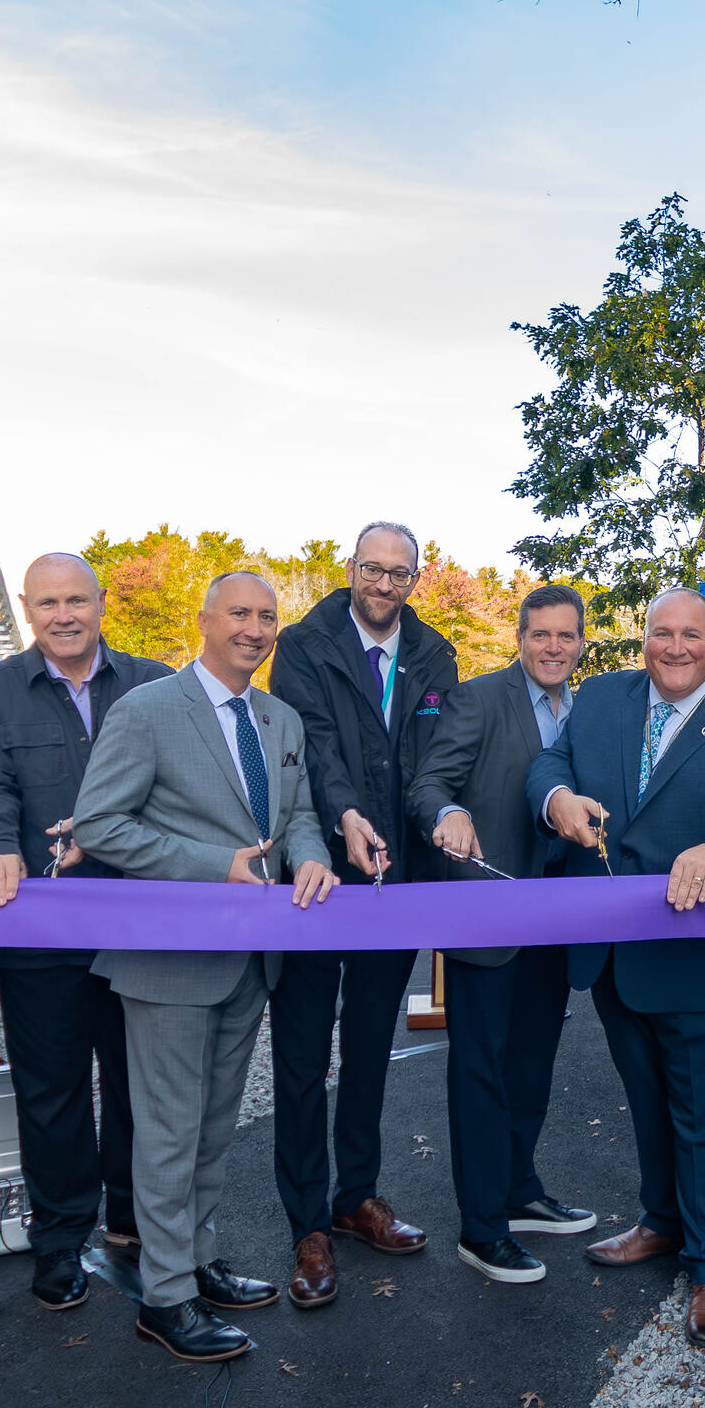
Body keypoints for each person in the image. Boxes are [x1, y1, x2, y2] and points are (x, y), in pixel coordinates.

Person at [528, 588, 705, 1346]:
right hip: (617, 958)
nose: (676, 647)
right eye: (662, 632)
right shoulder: (600, 700)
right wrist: (556, 795)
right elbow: (550, 761)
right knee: (649, 1104)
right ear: (643, 637)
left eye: (692, 634)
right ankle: (661, 1221)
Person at [72, 572, 337, 1362]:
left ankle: (194, 1257)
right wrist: (209, 863)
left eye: (267, 617)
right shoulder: (148, 709)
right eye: (240, 614)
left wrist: (313, 859)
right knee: (165, 1131)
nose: (255, 628)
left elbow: (296, 815)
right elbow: (100, 823)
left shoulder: (279, 716)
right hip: (167, 962)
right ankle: (165, 1297)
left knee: (213, 1126)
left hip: (249, 961)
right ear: (204, 621)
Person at [0, 554, 174, 1312]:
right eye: (47, 602)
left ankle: (135, 1219)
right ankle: (58, 1238)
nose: (63, 614)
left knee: (141, 1082)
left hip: (140, 921)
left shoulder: (154, 683)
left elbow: (181, 780)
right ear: (27, 608)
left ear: (102, 602)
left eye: (77, 598)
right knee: (52, 1091)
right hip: (41, 924)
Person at [263, 522, 461, 1307]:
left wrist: (439, 812)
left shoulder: (435, 652)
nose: (384, 585)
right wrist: (344, 813)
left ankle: (358, 1195)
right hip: (317, 876)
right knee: (304, 1055)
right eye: (372, 570)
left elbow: (434, 756)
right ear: (350, 568)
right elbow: (310, 746)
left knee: (372, 1048)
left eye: (399, 573)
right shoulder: (306, 644)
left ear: (416, 578)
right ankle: (307, 1221)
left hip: (395, 883)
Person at [408, 583, 596, 1282]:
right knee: (480, 1071)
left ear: (582, 641)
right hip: (487, 912)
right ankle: (482, 1228)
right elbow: (428, 783)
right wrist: (448, 812)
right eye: (541, 634)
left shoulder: (588, 708)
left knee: (531, 1065)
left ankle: (519, 1190)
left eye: (566, 636)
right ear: (521, 637)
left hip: (558, 916)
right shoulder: (480, 698)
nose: (553, 647)